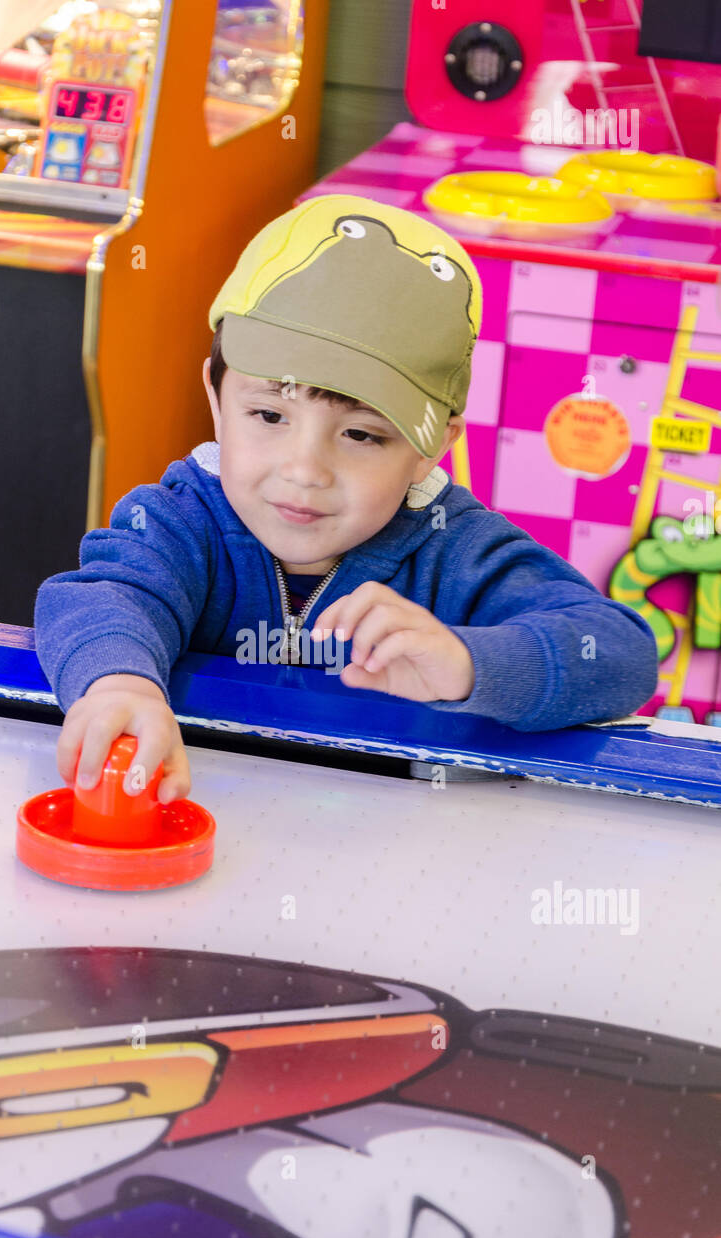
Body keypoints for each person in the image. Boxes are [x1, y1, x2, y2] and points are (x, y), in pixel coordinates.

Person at [34, 194, 658, 803]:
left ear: (430, 446)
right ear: (216, 398)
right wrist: (122, 685)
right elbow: (102, 597)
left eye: (361, 434)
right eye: (269, 415)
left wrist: (468, 661)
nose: (306, 470)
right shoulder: (177, 519)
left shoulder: (458, 547)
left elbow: (620, 653)